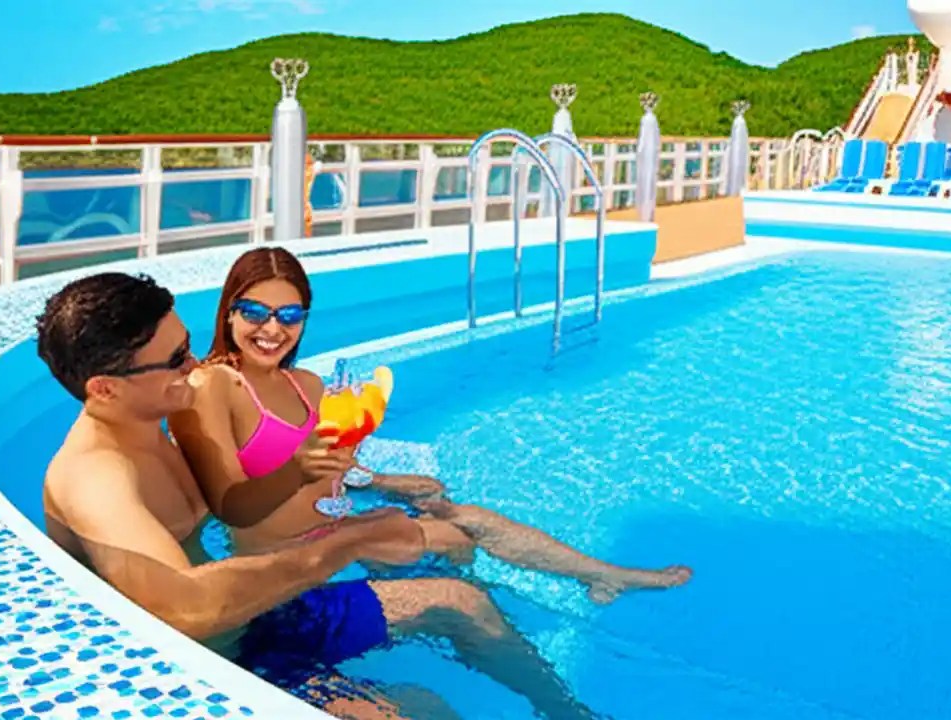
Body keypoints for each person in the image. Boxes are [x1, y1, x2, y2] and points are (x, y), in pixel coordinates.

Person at [35, 271, 601, 720]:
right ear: (104, 388)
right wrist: (347, 541)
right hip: (214, 670)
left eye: (186, 346)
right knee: (416, 712)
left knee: (462, 602)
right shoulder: (94, 478)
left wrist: (354, 484)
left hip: (259, 620)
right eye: (176, 359)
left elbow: (237, 502)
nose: (194, 363)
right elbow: (187, 608)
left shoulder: (155, 422)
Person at [166, 246, 692, 606]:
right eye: (255, 310)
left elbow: (329, 462)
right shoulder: (214, 387)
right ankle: (454, 596)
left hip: (334, 524)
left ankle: (602, 575)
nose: (272, 328)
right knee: (453, 540)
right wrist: (303, 477)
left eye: (290, 315)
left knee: (465, 515)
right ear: (228, 311)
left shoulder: (306, 382)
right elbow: (228, 504)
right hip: (284, 553)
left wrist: (382, 482)